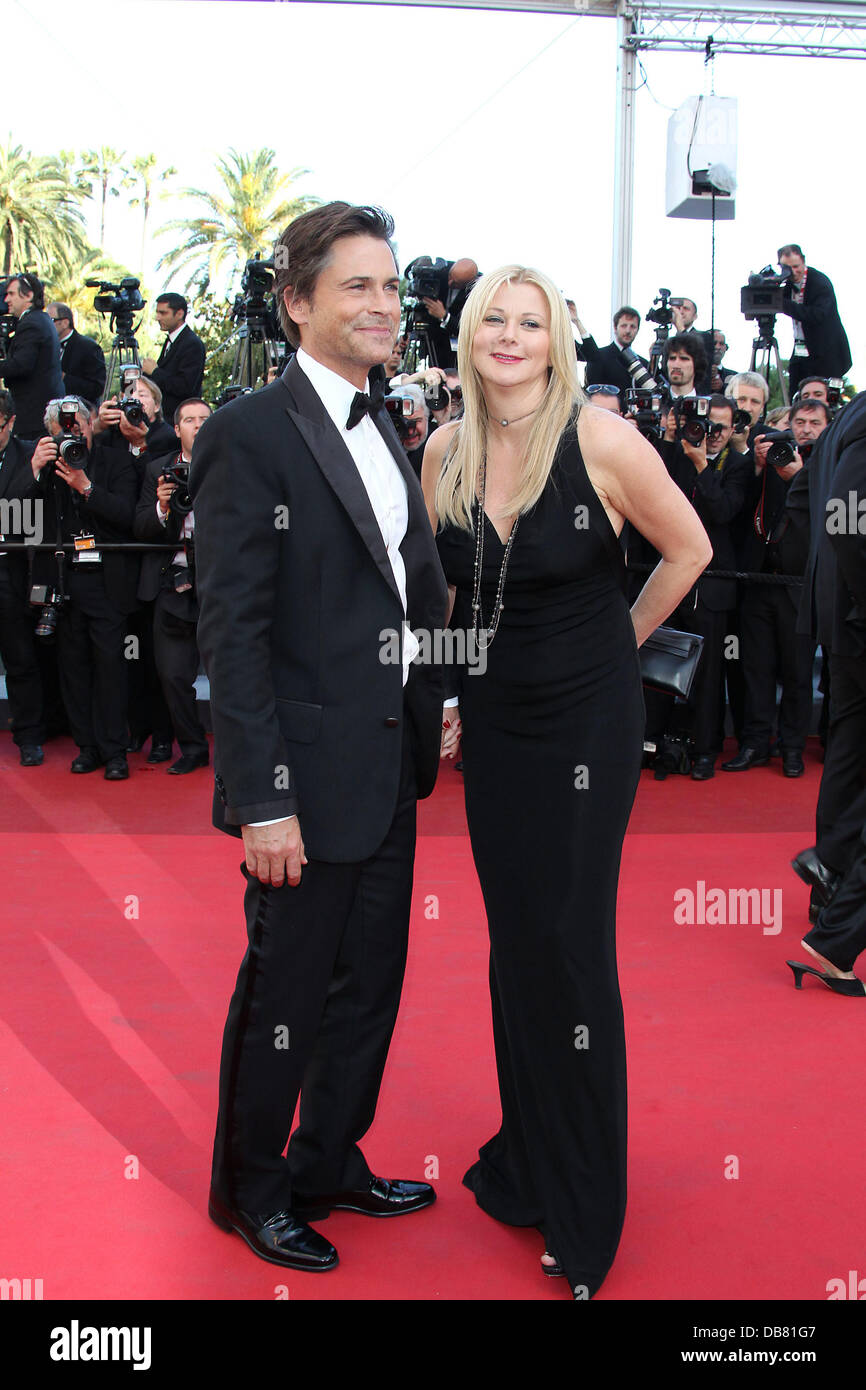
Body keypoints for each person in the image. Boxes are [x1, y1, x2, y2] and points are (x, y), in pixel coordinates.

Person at [421, 265, 711, 1298]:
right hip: (498, 728)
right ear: (468, 335)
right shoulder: (444, 449)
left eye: (528, 321)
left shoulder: (597, 438)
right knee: (515, 945)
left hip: (587, 720)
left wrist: (617, 643)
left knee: (570, 947)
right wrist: (451, 694)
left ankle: (587, 1210)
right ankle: (531, 1161)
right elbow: (452, 592)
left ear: (556, 339)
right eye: (492, 319)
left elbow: (688, 547)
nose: (508, 336)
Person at [190, 202, 449, 1275]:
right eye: (357, 285)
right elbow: (233, 632)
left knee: (369, 984)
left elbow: (399, 592)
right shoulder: (251, 431)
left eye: (390, 286)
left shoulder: (385, 422)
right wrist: (262, 797)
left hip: (387, 764)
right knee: (285, 993)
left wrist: (436, 691)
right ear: (298, 302)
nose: (383, 303)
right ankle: (251, 1190)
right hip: (299, 781)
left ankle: (328, 1158)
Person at [16, 397, 139, 778]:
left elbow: (128, 517)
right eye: (63, 432)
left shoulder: (115, 462)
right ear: (51, 436)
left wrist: (87, 488)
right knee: (73, 670)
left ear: (90, 426)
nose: (73, 437)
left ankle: (115, 750)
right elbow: (20, 520)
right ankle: (87, 747)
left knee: (111, 670)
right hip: (62, 581)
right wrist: (34, 471)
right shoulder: (46, 469)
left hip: (106, 582)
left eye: (78, 428)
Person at [134, 398, 212, 774]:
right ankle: (193, 748)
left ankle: (236, 754)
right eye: (189, 420)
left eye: (204, 419)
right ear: (176, 428)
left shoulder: (231, 466)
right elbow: (141, 526)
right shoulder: (157, 471)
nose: (197, 425)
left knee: (231, 676)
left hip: (220, 588)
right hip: (172, 586)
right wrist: (164, 507)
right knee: (173, 677)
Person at [0, 390, 46, 764]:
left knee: (19, 657)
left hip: (11, 569)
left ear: (11, 422)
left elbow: (19, 512)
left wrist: (31, 471)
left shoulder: (29, 454)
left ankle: (29, 737)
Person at [777, 244, 851, 397]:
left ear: (804, 262)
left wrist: (782, 304)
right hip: (801, 349)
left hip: (827, 353)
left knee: (825, 399)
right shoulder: (787, 284)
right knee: (795, 396)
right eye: (787, 267)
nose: (793, 271)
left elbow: (817, 315)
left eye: (796, 266)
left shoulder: (819, 283)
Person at [0, 274, 64, 437]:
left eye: (12, 294)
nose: (6, 299)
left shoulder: (31, 323)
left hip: (34, 417)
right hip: (40, 414)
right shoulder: (40, 319)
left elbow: (21, 365)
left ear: (29, 295)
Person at [141, 293, 206, 425]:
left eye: (163, 313)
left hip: (179, 420)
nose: (158, 317)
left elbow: (185, 387)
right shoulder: (172, 340)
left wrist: (155, 372)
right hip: (166, 420)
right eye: (157, 313)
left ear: (179, 314)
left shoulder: (191, 343)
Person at [582, 306, 649, 397]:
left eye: (632, 326)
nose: (628, 331)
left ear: (638, 330)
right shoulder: (599, 356)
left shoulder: (643, 363)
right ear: (615, 327)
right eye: (623, 326)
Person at [46, 302, 106, 404]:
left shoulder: (88, 347)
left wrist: (63, 377)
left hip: (81, 412)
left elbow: (97, 388)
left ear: (65, 323)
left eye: (50, 320)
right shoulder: (46, 346)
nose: (46, 325)